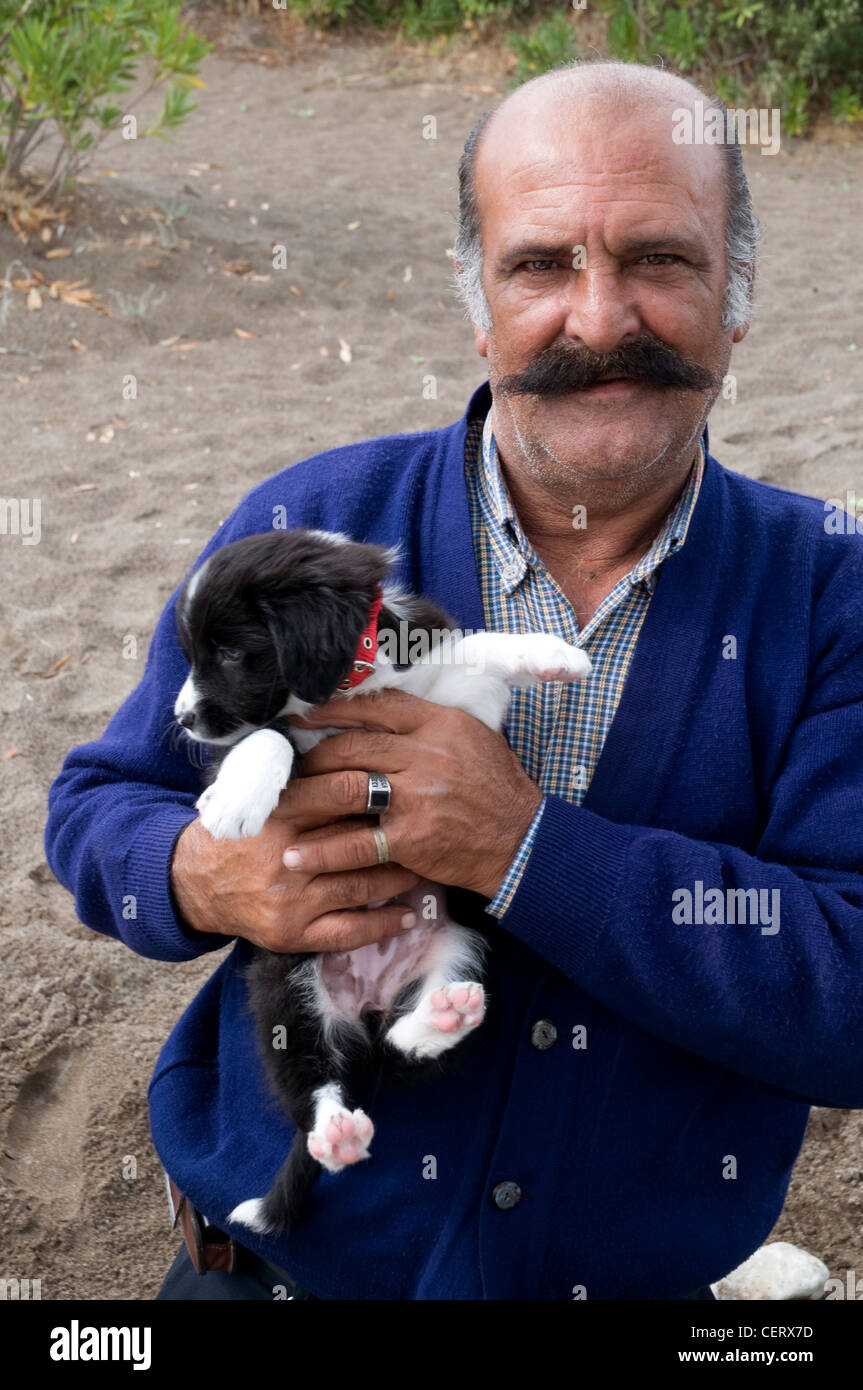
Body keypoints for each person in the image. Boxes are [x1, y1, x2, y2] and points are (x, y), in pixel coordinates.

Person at [45, 60, 863, 1301]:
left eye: (659, 259)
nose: (599, 320)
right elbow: (96, 806)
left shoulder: (829, 590)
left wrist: (525, 848)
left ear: (733, 300)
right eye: (540, 265)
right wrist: (205, 874)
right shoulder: (310, 521)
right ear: (475, 305)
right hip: (264, 1274)